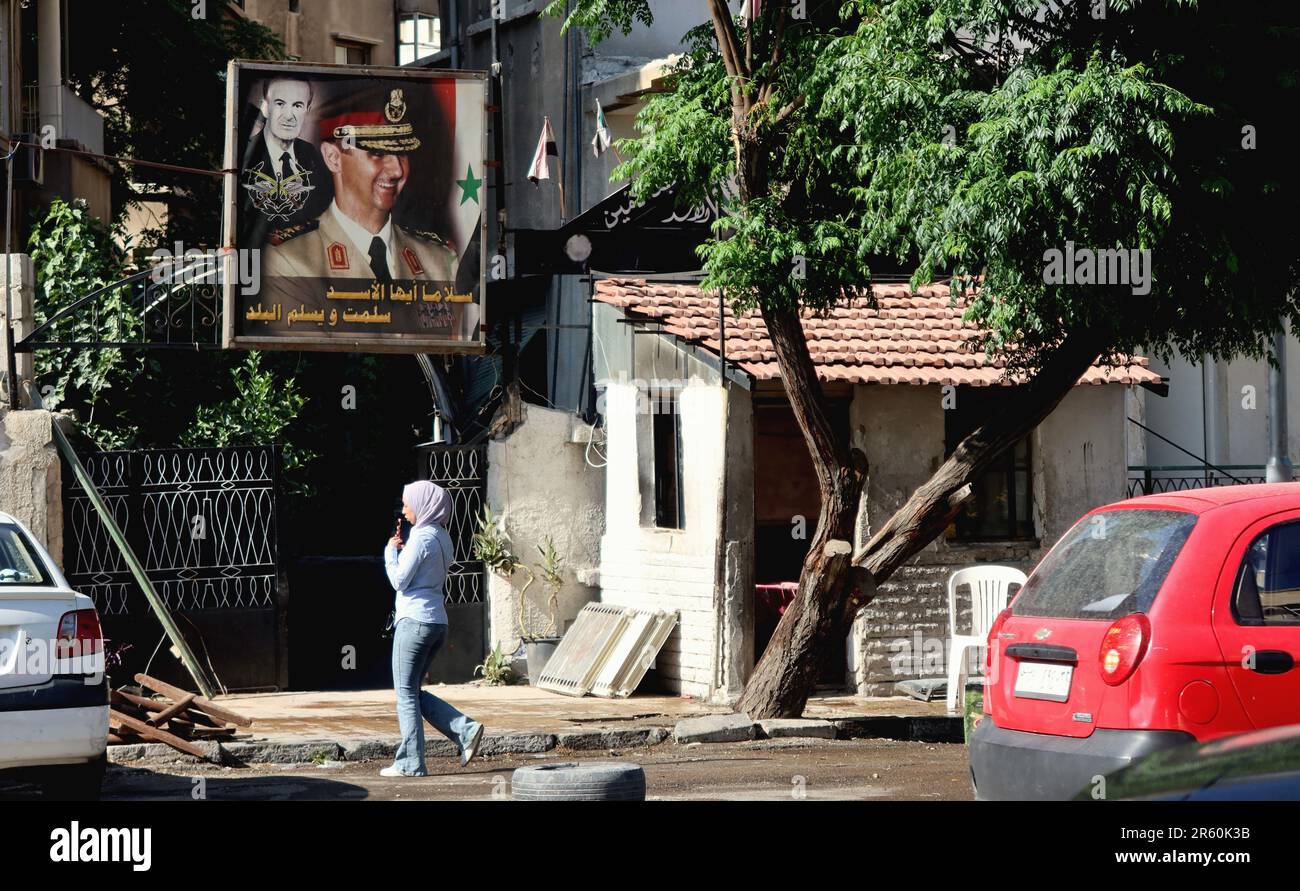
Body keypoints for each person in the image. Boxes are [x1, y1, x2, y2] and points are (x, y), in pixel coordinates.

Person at [382, 481, 485, 777]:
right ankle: (466, 730)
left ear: (423, 504)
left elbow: (400, 581)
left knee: (404, 693)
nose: (404, 510)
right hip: (437, 621)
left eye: (408, 504)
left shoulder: (421, 537)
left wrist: (390, 553)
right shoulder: (442, 537)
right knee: (412, 690)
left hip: (414, 622)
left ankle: (410, 763)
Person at [239, 78, 332, 247]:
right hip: (254, 264)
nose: (289, 116)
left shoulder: (313, 157)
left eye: (297, 106)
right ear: (265, 107)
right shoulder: (244, 156)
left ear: (307, 110)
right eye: (280, 104)